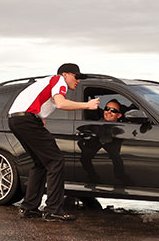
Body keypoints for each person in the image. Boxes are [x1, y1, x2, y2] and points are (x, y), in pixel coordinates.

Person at [7, 63, 99, 221]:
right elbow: (61, 103)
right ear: (65, 74)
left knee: (40, 163)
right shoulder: (58, 81)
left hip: (17, 119)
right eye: (76, 77)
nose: (78, 81)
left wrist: (40, 118)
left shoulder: (46, 82)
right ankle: (53, 210)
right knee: (56, 161)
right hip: (26, 120)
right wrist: (87, 105)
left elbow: (38, 104)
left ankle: (29, 208)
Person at [78, 99, 131, 186]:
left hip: (112, 144)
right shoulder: (96, 124)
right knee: (85, 158)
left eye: (113, 110)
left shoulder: (124, 127)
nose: (109, 112)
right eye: (107, 109)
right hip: (98, 141)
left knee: (116, 157)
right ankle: (93, 176)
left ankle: (121, 177)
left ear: (119, 115)